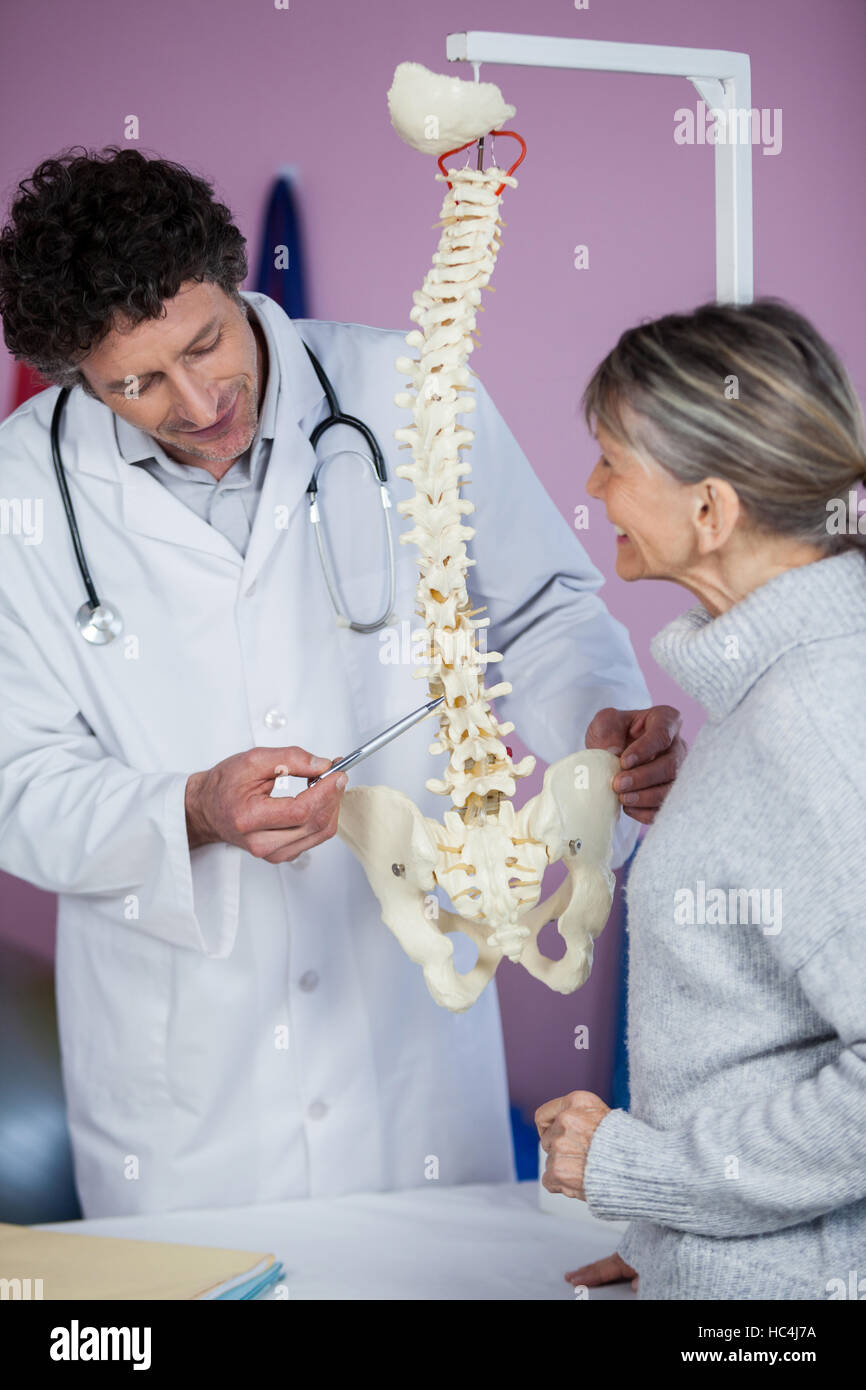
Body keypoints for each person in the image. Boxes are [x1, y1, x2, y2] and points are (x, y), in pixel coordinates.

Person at [0, 147, 681, 1219]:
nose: (197, 399)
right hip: (180, 1079)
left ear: (232, 281)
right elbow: (16, 776)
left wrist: (589, 727)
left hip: (403, 1029)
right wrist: (189, 809)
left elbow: (543, 607)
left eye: (205, 343)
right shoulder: (22, 489)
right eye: (135, 384)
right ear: (76, 375)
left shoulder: (402, 390)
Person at [537, 298, 866, 1300]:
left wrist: (641, 1173)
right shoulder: (775, 688)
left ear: (709, 510)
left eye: (609, 462)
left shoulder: (808, 716)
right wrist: (667, 1238)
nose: (590, 490)